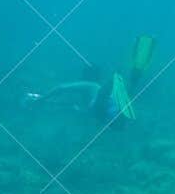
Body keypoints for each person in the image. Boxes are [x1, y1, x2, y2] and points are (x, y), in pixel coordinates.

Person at [24, 35, 156, 126]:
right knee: (124, 92)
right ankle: (127, 76)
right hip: (111, 113)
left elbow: (61, 88)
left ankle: (118, 78)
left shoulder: (90, 85)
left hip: (104, 110)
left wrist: (40, 99)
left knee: (105, 96)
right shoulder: (93, 90)